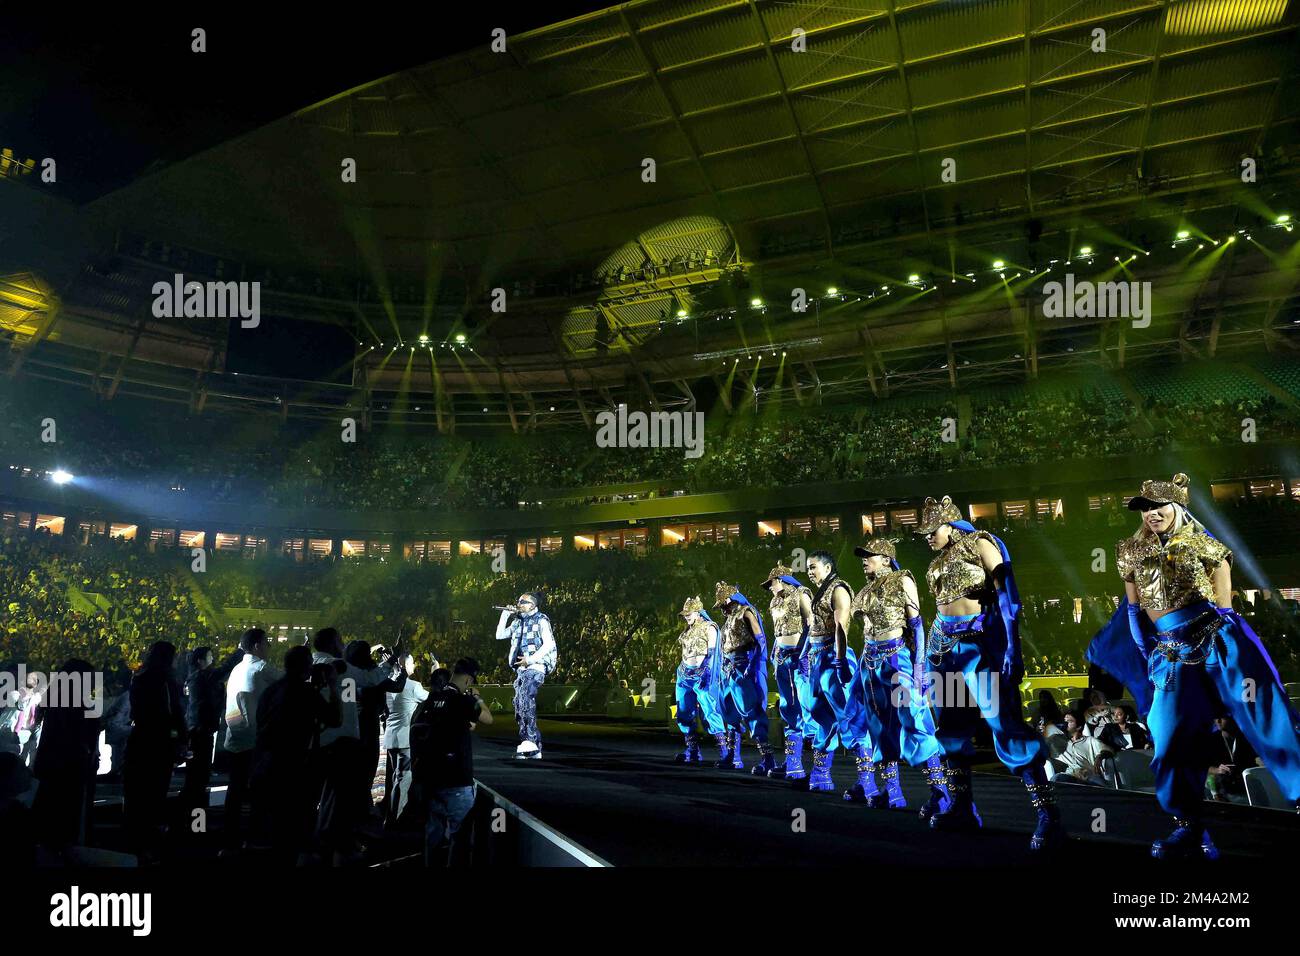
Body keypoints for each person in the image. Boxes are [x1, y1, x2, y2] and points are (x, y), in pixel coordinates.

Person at [1091, 473, 1300, 859]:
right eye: (1146, 508)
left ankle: (1299, 792)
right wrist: (1146, 651)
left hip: (1216, 642)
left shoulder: (1207, 545)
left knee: (1263, 712)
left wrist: (1229, 648)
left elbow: (1225, 608)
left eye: (1159, 506)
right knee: (1168, 739)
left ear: (1177, 506)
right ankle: (1187, 826)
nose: (1152, 513)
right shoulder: (1129, 551)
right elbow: (1134, 609)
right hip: (1168, 655)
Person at [916, 495, 1065, 851]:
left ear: (950, 524)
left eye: (931, 530)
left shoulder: (980, 542)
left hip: (979, 645)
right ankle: (963, 807)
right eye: (922, 533)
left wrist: (1013, 644)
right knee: (950, 729)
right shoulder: (938, 561)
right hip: (943, 650)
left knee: (1005, 723)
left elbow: (1006, 591)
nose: (926, 537)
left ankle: (1048, 815)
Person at [851, 537, 949, 818]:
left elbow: (918, 626)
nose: (864, 559)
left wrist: (919, 667)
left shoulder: (903, 579)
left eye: (869, 555)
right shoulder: (865, 590)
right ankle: (892, 791)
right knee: (879, 725)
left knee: (913, 717)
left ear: (885, 558)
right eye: (863, 555)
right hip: (869, 661)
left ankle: (940, 793)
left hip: (897, 658)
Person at [311, 627, 405, 864]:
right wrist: (394, 661)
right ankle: (339, 844)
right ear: (334, 643)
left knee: (326, 793)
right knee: (347, 789)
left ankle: (318, 841)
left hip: (319, 738)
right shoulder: (344, 669)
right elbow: (378, 681)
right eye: (339, 640)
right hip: (347, 738)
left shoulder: (313, 665)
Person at [251, 646, 342, 865]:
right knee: (295, 820)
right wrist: (332, 686)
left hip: (264, 761)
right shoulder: (306, 692)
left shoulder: (271, 690)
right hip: (293, 765)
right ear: (305, 667)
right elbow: (335, 719)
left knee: (274, 822)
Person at [409, 657, 492, 866]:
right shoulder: (462, 701)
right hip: (456, 780)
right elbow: (488, 719)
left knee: (433, 835)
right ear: (468, 681)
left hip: (431, 779)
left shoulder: (431, 700)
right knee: (459, 837)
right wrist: (478, 699)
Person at [803, 551, 869, 795]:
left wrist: (840, 662)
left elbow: (841, 627)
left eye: (814, 567)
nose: (810, 571)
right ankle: (821, 773)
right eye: (808, 567)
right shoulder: (820, 592)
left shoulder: (838, 589)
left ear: (828, 568)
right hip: (817, 657)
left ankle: (866, 781)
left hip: (833, 656)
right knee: (820, 713)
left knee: (848, 715)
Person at [124, 641, 186, 862]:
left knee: (136, 796)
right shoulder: (165, 681)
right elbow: (173, 713)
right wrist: (180, 739)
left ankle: (133, 845)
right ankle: (148, 845)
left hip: (140, 740)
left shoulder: (139, 677)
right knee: (154, 795)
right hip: (158, 744)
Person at [31, 659, 100, 855]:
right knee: (68, 819)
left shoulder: (55, 702)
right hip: (71, 769)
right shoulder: (75, 705)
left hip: (56, 767)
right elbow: (79, 736)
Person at [222, 628, 281, 855]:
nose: (269, 647)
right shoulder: (261, 667)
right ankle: (255, 838)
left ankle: (231, 840)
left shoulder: (237, 668)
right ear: (257, 645)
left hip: (234, 738)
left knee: (235, 792)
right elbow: (291, 677)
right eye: (267, 643)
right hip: (255, 741)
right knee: (260, 793)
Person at [712, 581, 773, 773]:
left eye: (723, 602)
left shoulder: (746, 612)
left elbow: (760, 640)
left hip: (742, 666)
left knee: (751, 711)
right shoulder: (729, 618)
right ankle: (733, 755)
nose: (721, 606)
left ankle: (767, 757)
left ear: (731, 599)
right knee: (728, 711)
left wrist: (753, 666)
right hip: (727, 667)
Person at [761, 564, 814, 780]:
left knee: (805, 705)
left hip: (798, 656)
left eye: (771, 583)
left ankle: (817, 767)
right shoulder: (774, 601)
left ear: (781, 580)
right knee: (787, 706)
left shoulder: (802, 594)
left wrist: (804, 654)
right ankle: (793, 760)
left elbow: (811, 624)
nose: (770, 588)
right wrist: (774, 652)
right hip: (782, 657)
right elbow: (777, 630)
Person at [495, 592, 556, 760]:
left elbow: (549, 644)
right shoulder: (518, 621)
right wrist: (505, 615)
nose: (519, 603)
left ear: (533, 605)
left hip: (535, 667)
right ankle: (528, 744)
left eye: (524, 601)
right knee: (519, 705)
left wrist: (530, 659)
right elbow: (499, 635)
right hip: (521, 670)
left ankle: (531, 741)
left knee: (526, 700)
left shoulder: (541, 619)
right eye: (519, 600)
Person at [181, 645, 242, 813]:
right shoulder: (201, 677)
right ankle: (192, 823)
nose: (212, 659)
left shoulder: (198, 677)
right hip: (200, 733)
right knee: (197, 780)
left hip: (200, 732)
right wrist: (240, 651)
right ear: (200, 661)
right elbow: (225, 669)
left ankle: (190, 822)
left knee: (196, 779)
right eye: (209, 656)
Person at [671, 596, 724, 765]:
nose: (686, 616)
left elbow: (712, 653)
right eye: (685, 613)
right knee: (684, 712)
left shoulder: (710, 628)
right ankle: (692, 751)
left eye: (689, 613)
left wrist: (707, 673)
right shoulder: (687, 630)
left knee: (710, 711)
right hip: (684, 675)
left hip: (702, 675)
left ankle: (725, 753)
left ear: (698, 612)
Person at [383, 652, 430, 827]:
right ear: (405, 665)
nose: (413, 667)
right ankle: (394, 819)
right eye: (411, 664)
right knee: (403, 778)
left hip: (390, 737)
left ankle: (394, 814)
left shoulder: (387, 684)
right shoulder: (413, 686)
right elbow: (431, 699)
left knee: (397, 777)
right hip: (405, 739)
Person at [1048, 710, 1113, 785]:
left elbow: (1109, 750)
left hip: (1087, 778)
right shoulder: (1055, 741)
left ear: (1079, 727)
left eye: (1069, 721)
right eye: (1065, 721)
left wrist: (1100, 756)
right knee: (1057, 778)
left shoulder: (1089, 741)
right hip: (1068, 777)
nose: (1065, 724)